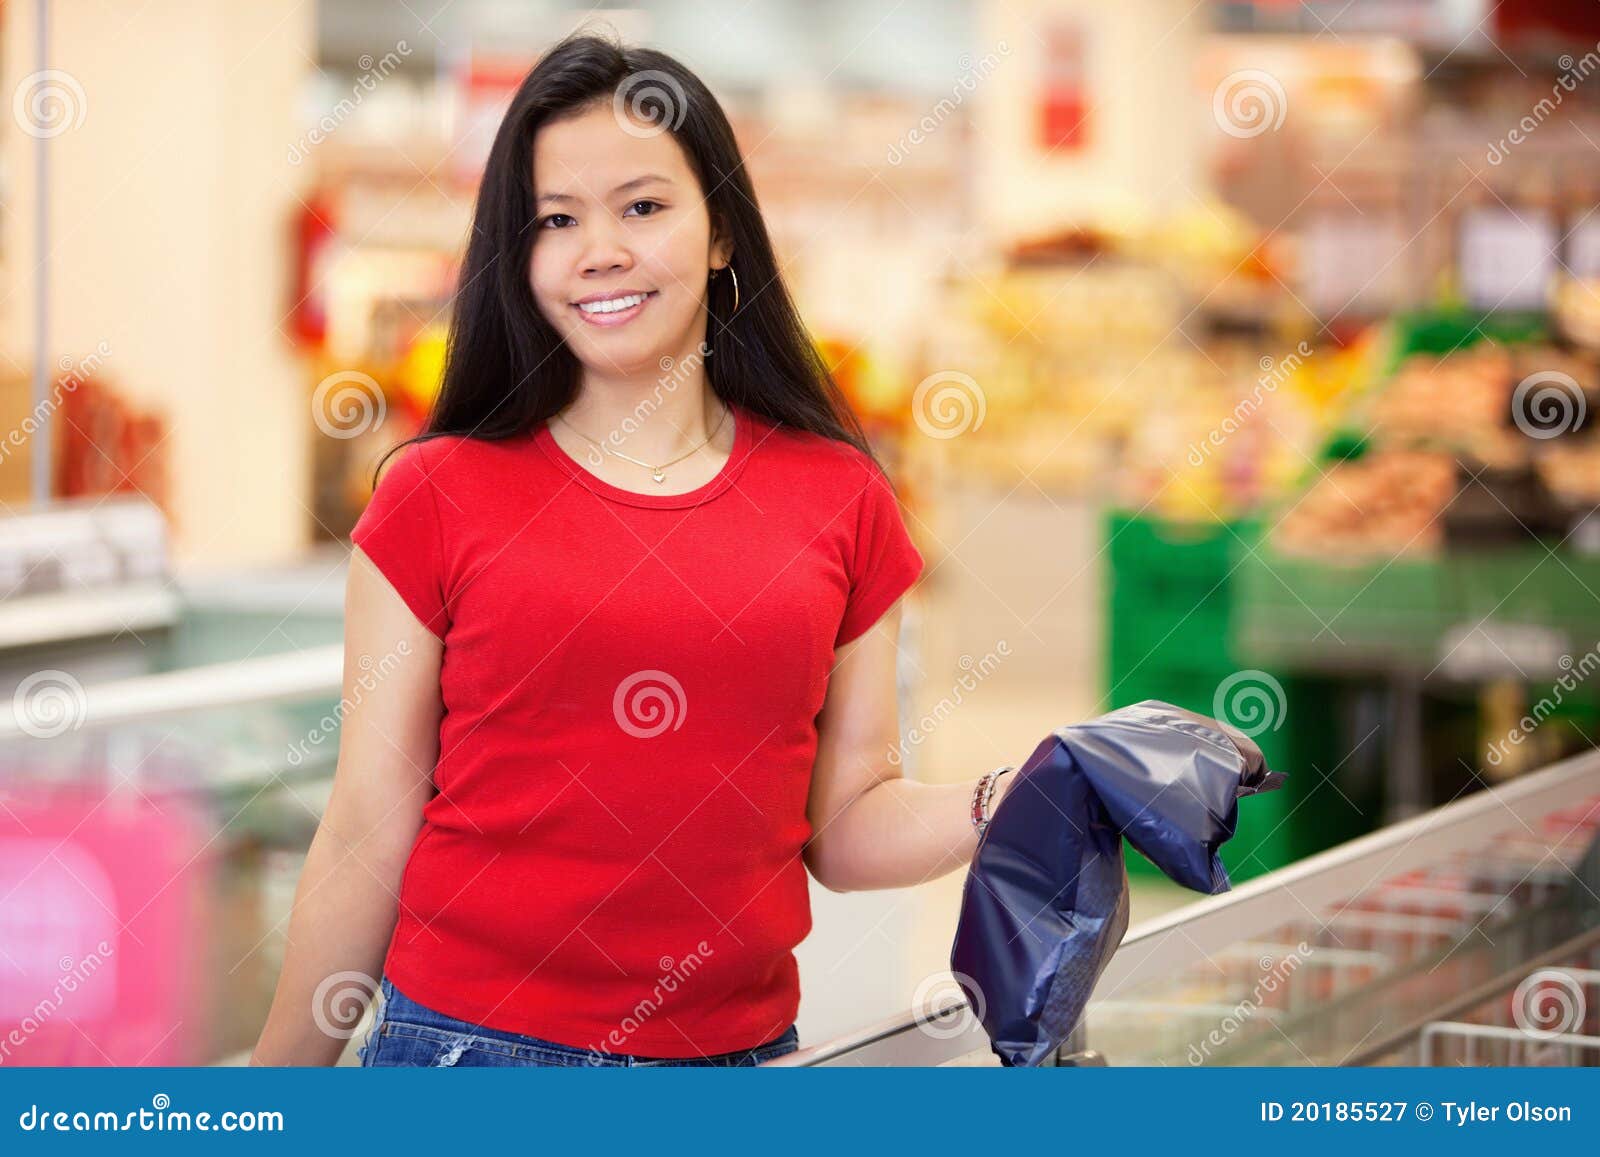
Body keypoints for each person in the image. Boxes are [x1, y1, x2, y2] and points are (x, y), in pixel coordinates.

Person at [251, 29, 1015, 1069]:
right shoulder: (435, 495)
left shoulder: (840, 497)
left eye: (643, 207)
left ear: (720, 233)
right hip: (468, 1056)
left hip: (733, 1062)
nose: (598, 248)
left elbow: (846, 824)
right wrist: (276, 1083)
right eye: (555, 220)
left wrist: (1013, 794)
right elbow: (364, 829)